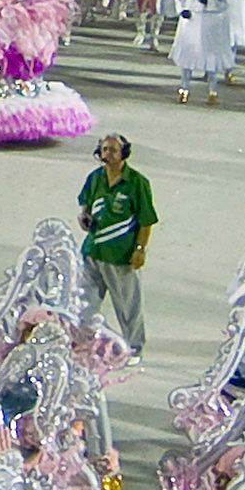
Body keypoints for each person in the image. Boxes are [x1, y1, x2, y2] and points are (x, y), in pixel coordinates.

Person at [77, 132, 156, 354]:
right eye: (104, 149)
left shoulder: (137, 183)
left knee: (128, 306)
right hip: (93, 252)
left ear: (124, 153)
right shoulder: (95, 178)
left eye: (113, 150)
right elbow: (86, 204)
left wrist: (140, 249)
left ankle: (134, 347)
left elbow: (146, 220)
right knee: (85, 301)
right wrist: (84, 216)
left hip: (120, 256)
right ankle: (84, 342)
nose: (108, 154)